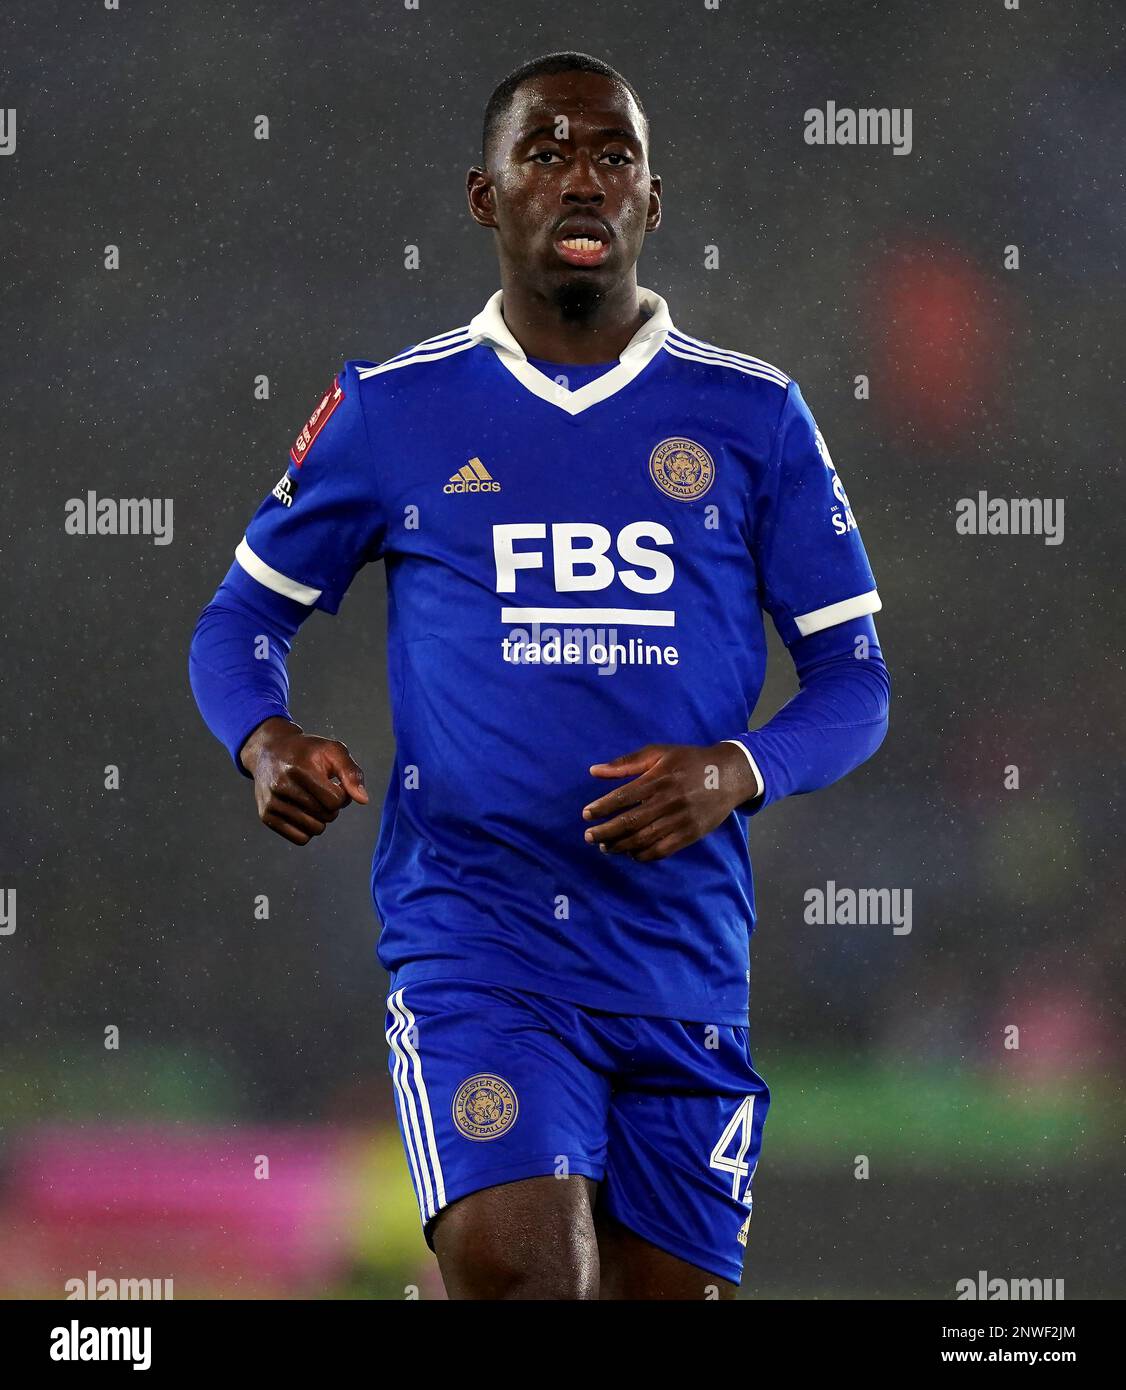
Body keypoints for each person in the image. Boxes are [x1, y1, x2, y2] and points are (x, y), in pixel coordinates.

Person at [189, 51, 891, 1300]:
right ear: (483, 195)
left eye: (612, 156)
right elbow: (242, 617)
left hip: (680, 964)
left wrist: (737, 770)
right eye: (548, 151)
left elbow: (853, 679)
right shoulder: (391, 408)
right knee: (526, 1281)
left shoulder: (756, 414)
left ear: (652, 200)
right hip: (480, 944)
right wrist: (266, 738)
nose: (583, 179)